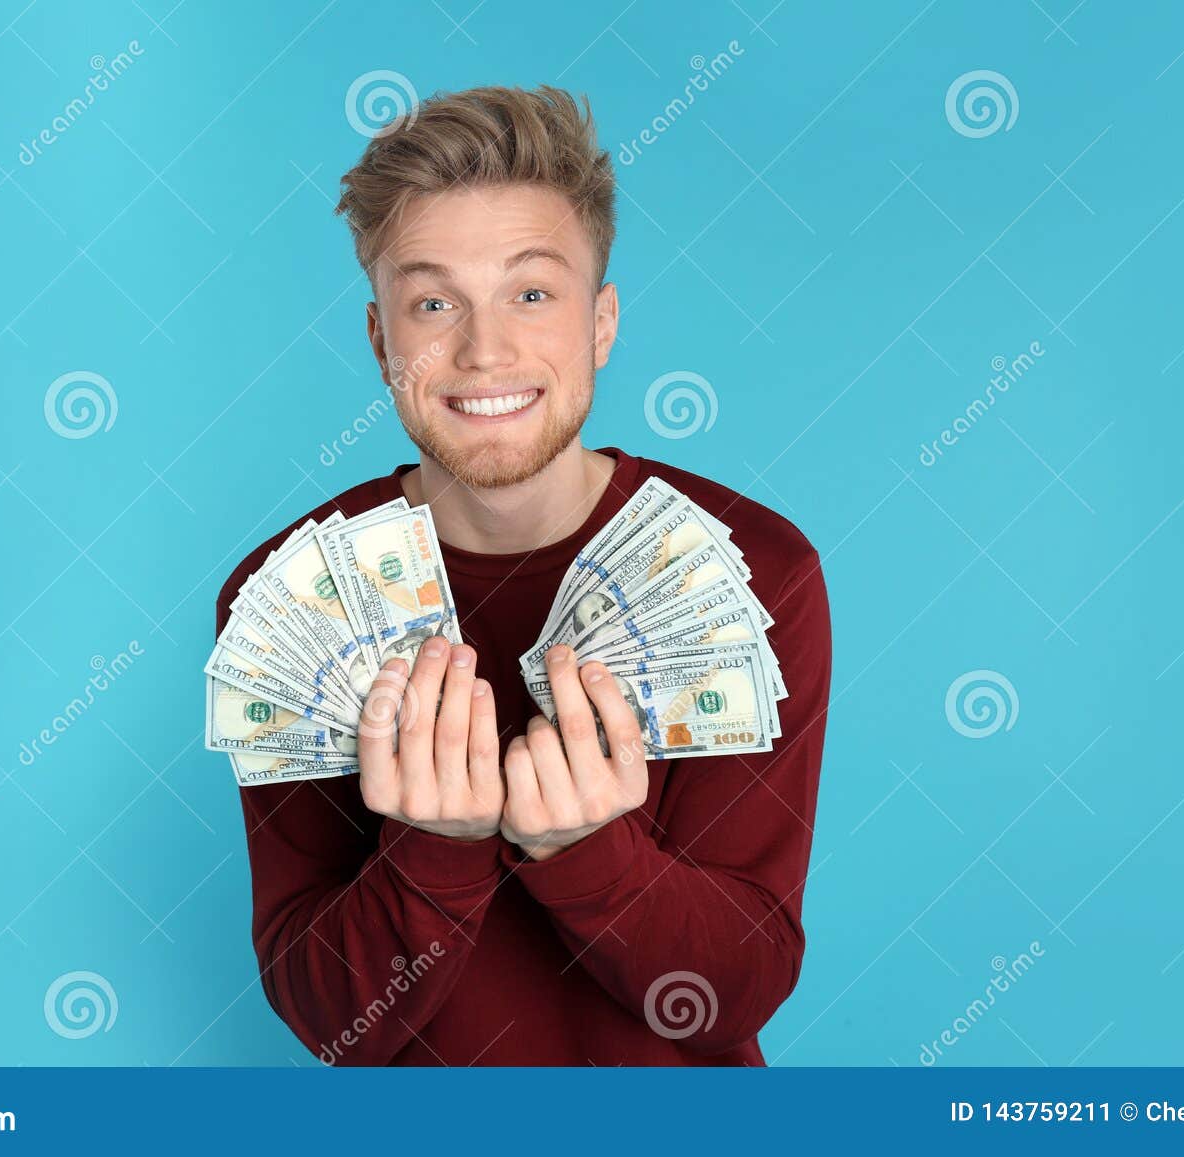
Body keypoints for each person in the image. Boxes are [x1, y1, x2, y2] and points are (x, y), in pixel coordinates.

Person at [215, 84, 831, 1066]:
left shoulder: (755, 572)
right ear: (382, 342)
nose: (484, 348)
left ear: (600, 322)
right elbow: (331, 1019)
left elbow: (733, 990)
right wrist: (430, 842)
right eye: (431, 302)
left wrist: (590, 851)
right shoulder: (291, 595)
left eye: (532, 292)